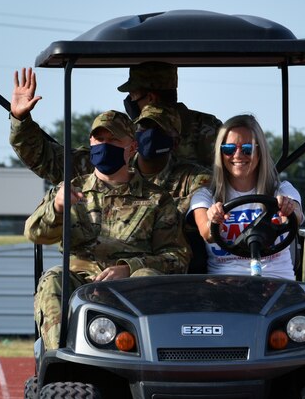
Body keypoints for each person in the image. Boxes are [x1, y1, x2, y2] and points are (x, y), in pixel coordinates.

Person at [24, 110, 190, 349]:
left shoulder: (156, 200)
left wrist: (129, 268)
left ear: (132, 147)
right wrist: (58, 207)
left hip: (129, 287)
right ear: (91, 142)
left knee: (147, 279)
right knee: (53, 278)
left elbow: (177, 258)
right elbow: (35, 232)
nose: (104, 145)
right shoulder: (69, 190)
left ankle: (147, 357)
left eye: (113, 141)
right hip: (79, 283)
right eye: (99, 139)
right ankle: (61, 359)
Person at [9, 67, 209, 216]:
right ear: (133, 142)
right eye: (143, 127)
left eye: (132, 95)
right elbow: (47, 159)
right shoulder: (113, 158)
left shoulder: (195, 175)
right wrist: (21, 120)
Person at [187, 114, 303, 279]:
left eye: (247, 148)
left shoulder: (282, 190)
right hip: (225, 286)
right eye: (229, 149)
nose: (238, 155)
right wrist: (214, 221)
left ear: (260, 152)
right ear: (220, 153)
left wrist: (288, 210)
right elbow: (207, 233)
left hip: (277, 284)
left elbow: (296, 216)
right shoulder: (204, 196)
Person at [116, 61, 222, 168]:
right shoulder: (211, 124)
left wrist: (140, 128)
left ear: (151, 98)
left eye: (133, 96)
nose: (131, 101)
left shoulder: (132, 132)